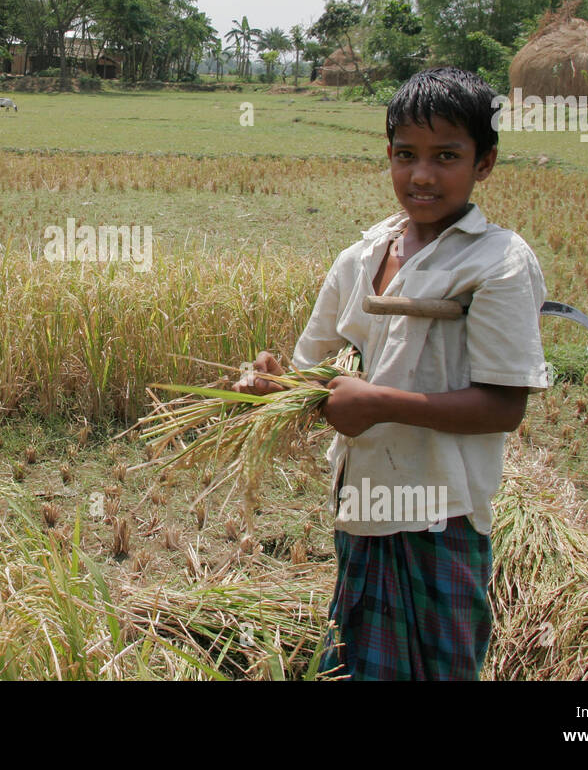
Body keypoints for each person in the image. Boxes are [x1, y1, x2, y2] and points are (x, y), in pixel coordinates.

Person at [236, 67, 551, 679]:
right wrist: (275, 380)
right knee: (358, 661)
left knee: (437, 666)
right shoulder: (361, 256)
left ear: (484, 163)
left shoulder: (498, 262)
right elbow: (314, 370)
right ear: (388, 155)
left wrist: (379, 402)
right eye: (406, 154)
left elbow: (503, 406)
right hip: (363, 502)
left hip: (442, 510)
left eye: (447, 156)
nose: (422, 174)